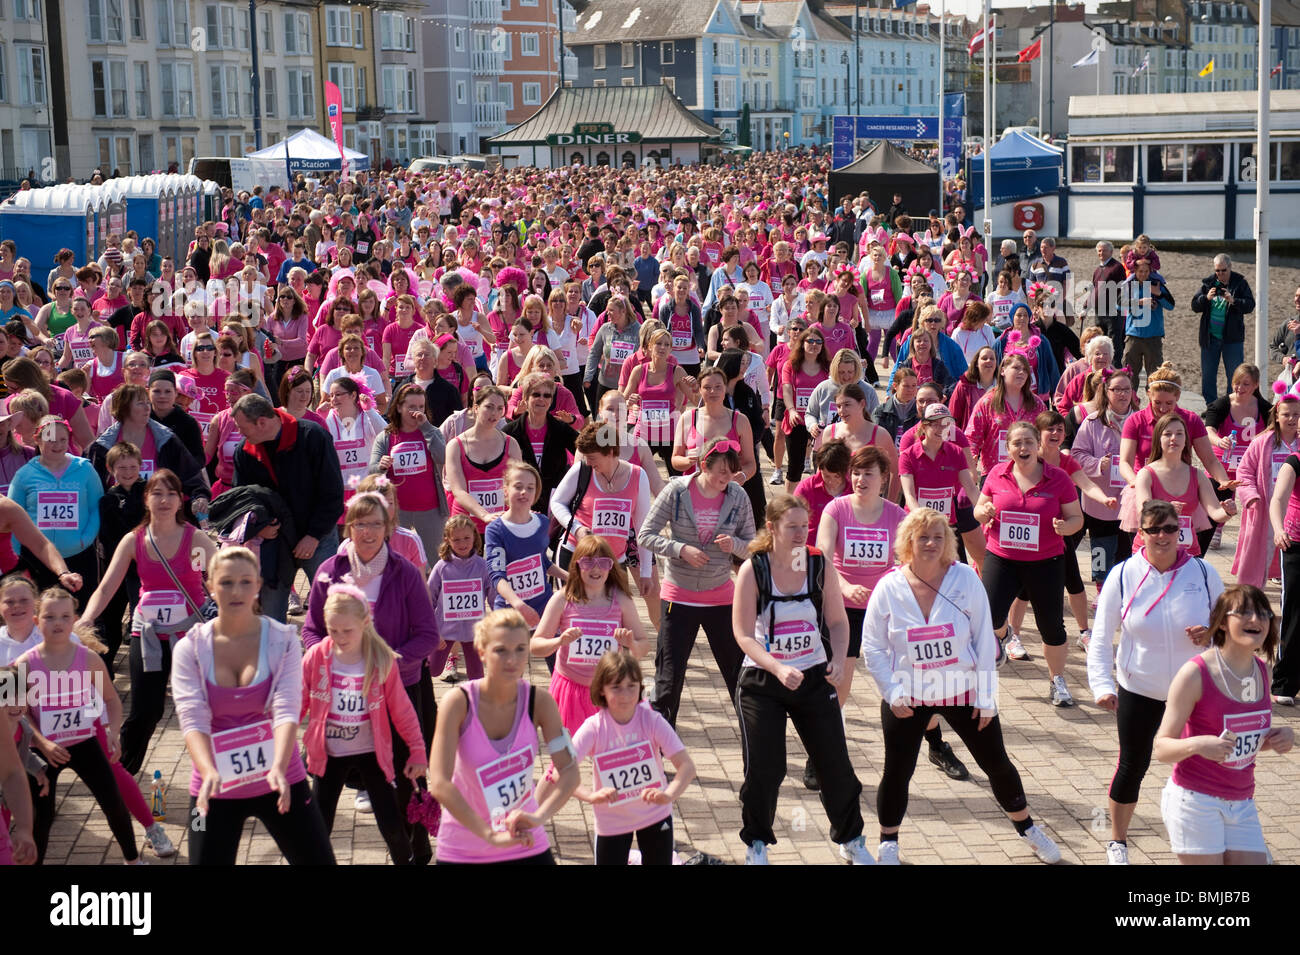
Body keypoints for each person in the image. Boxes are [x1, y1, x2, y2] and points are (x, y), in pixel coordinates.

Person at [862, 508, 1062, 865]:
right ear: (908, 540)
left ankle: (1028, 827)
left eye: (938, 537)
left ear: (948, 542)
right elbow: (873, 646)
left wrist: (986, 697)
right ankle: (888, 841)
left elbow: (985, 640)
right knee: (897, 771)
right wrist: (891, 692)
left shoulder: (966, 579)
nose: (930, 544)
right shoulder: (889, 587)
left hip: (963, 689)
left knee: (997, 763)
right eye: (922, 537)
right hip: (908, 694)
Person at [731, 493, 874, 865]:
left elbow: (839, 622)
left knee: (835, 764)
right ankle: (756, 844)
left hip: (812, 678)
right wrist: (778, 668)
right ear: (772, 528)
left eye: (804, 526)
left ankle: (852, 840)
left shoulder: (817, 563)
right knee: (766, 767)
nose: (800, 533)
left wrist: (839, 660)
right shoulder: (754, 569)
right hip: (763, 682)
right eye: (791, 527)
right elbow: (743, 634)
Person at [171, 546, 336, 865]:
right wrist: (207, 772)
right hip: (211, 786)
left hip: (281, 777)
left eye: (246, 582)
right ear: (210, 587)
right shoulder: (189, 649)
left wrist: (278, 767)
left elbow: (288, 709)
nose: (236, 591)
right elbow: (192, 720)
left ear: (258, 585)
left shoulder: (283, 639)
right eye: (226, 582)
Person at [300, 491, 438, 862]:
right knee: (323, 807)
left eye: (376, 523)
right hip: (340, 703)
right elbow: (312, 630)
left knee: (406, 790)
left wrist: (388, 663)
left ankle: (417, 854)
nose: (368, 531)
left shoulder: (404, 572)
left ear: (389, 527)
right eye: (360, 523)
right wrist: (329, 659)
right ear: (349, 526)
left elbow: (428, 634)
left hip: (397, 693)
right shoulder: (329, 571)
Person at [1087, 499, 1224, 865]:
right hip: (1139, 688)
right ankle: (1117, 841)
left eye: (1169, 529)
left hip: (1194, 691)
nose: (1162, 536)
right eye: (1154, 529)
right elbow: (1100, 637)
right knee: (1133, 765)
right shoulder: (1122, 574)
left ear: (1181, 532)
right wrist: (1102, 685)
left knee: (1205, 764)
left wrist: (1210, 633)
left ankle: (1212, 835)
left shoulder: (1204, 573)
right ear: (1141, 533)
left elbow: (1231, 628)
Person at [75, 469, 218, 776]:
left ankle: (216, 780)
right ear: (146, 499)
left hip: (190, 635)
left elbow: (220, 578)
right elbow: (106, 588)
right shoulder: (133, 540)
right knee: (145, 711)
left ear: (180, 501)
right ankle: (121, 776)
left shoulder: (196, 539)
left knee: (204, 709)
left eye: (170, 494)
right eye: (157, 494)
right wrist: (85, 620)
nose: (164, 500)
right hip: (148, 634)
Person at [428, 608, 580, 865]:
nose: (512, 659)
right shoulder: (458, 702)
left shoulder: (539, 702)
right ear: (482, 652)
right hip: (465, 844)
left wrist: (539, 817)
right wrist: (489, 835)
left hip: (524, 839)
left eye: (521, 649)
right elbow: (441, 783)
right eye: (501, 650)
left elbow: (569, 771)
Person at [1153, 585, 1291, 865]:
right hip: (1195, 801)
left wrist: (1277, 737)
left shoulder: (1263, 671)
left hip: (1242, 803)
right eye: (1244, 613)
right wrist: (1197, 745)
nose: (1256, 620)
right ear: (1223, 623)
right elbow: (1161, 748)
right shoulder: (1195, 673)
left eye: (1263, 613)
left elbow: (1241, 741)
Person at [300, 583, 427, 865]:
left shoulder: (380, 660)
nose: (340, 637)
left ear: (365, 623)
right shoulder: (317, 657)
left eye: (348, 630)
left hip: (373, 753)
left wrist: (418, 750)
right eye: (333, 631)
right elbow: (297, 702)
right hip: (329, 755)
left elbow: (403, 711)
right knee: (318, 826)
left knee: (392, 825)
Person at [18, 587, 143, 864]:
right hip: (44, 752)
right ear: (37, 621)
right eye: (50, 617)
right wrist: (41, 742)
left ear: (75, 619)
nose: (58, 623)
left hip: (85, 743)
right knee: (42, 818)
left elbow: (111, 700)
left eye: (65, 616)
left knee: (114, 805)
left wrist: (112, 731)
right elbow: (14, 714)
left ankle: (133, 860)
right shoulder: (22, 664)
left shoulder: (89, 659)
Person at [638, 435, 755, 728]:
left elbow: (753, 544)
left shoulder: (738, 496)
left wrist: (735, 546)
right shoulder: (676, 492)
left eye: (732, 471)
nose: (727, 477)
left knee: (739, 676)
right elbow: (645, 535)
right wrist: (680, 549)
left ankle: (754, 743)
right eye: (721, 471)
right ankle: (659, 747)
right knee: (668, 678)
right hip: (678, 596)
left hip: (721, 598)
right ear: (704, 465)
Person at [974, 419, 1085, 705]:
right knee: (989, 617)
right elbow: (978, 510)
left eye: (1028, 442)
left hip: (1046, 561)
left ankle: (1057, 681)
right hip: (1003, 558)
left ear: (1038, 445)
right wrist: (984, 511)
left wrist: (1067, 527)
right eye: (1016, 443)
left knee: (1051, 626)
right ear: (1008, 448)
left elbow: (1077, 518)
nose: (1023, 448)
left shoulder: (1058, 477)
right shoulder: (997, 474)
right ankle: (1005, 635)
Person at [562, 651, 696, 866]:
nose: (625, 695)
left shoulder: (652, 721)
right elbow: (564, 772)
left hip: (655, 814)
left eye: (631, 686)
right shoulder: (594, 728)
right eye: (616, 687)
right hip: (611, 820)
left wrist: (668, 794)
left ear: (641, 688)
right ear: (601, 690)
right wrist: (590, 796)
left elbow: (687, 766)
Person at [230, 393, 344, 622]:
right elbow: (241, 499)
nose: (240, 435)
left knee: (335, 609)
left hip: (317, 538)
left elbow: (332, 494)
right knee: (270, 617)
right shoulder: (245, 451)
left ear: (261, 423)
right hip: (274, 542)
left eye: (244, 429)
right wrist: (259, 528)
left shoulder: (313, 436)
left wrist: (313, 535)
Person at [529, 535, 650, 734]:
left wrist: (631, 644)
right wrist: (559, 641)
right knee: (567, 754)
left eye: (603, 562)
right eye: (588, 562)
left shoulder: (621, 600)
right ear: (577, 565)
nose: (596, 569)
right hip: (570, 689)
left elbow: (643, 645)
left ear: (611, 566)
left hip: (609, 691)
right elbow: (535, 646)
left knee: (609, 756)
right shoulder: (562, 599)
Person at [8, 415, 103, 606]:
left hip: (80, 557)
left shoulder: (84, 469)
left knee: (81, 615)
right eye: (51, 439)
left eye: (63, 439)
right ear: (37, 440)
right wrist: (16, 560)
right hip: (37, 561)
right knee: (42, 615)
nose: (58, 445)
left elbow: (97, 508)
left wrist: (85, 539)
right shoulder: (24, 475)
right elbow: (12, 519)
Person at [1130, 413, 1235, 558]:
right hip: (1151, 552)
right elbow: (1143, 511)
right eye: (1168, 434)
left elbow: (1216, 513)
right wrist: (1165, 510)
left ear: (1186, 440)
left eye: (1179, 434)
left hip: (1187, 553)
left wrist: (1227, 512)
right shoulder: (1146, 474)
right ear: (1158, 439)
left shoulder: (1197, 475)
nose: (1174, 438)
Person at [368, 382, 450, 562]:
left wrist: (426, 427)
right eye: (411, 407)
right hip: (397, 512)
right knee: (395, 561)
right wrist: (381, 466)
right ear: (398, 407)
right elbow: (371, 472)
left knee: (437, 561)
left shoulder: (432, 432)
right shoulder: (386, 437)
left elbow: (443, 456)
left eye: (421, 407)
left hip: (431, 509)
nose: (417, 412)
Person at [1232, 392, 1299, 587]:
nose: (1292, 419)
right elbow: (1244, 471)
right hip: (1263, 508)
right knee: (1257, 558)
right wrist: (1251, 496)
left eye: (1297, 414)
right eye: (1286, 414)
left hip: (1294, 511)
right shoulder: (1262, 442)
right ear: (1277, 416)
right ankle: (1250, 598)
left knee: (1289, 559)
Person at [444, 385, 521, 533]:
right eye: (489, 407)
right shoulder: (455, 445)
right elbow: (458, 491)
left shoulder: (511, 444)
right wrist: (484, 515)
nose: (495, 413)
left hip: (501, 522)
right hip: (465, 526)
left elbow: (518, 484)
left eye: (500, 408)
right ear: (476, 407)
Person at [427, 514, 491, 683]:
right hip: (444, 630)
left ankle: (475, 705)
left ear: (475, 537)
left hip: (473, 631)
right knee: (432, 669)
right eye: (456, 540)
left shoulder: (483, 566)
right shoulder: (441, 567)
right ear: (447, 540)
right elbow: (429, 598)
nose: (462, 544)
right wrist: (430, 629)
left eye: (466, 538)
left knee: (477, 676)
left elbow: (494, 598)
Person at [1191, 254, 1255, 405]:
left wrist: (1234, 301)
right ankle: (1211, 406)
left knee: (1234, 375)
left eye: (1223, 270)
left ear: (1230, 267)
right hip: (1210, 337)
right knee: (1208, 375)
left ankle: (1229, 406)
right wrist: (1205, 298)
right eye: (1217, 271)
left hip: (1232, 339)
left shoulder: (1240, 283)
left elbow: (1250, 305)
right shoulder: (1208, 283)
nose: (1220, 274)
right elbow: (1194, 305)